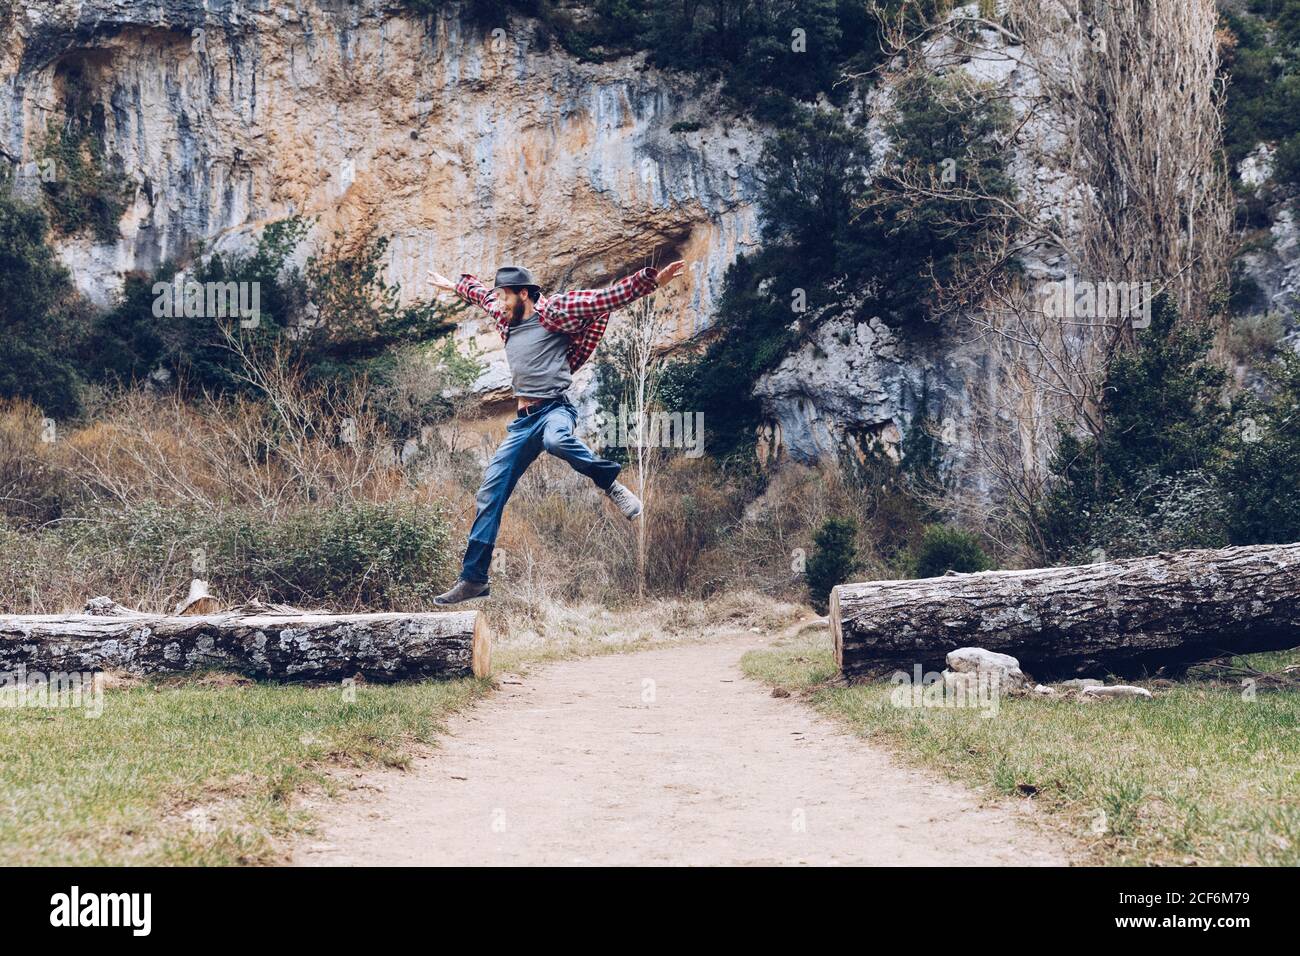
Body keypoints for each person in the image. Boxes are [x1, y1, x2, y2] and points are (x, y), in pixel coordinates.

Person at [426, 259, 686, 604]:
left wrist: (652, 280)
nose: (500, 302)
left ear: (524, 294)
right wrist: (452, 284)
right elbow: (479, 296)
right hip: (522, 423)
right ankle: (474, 579)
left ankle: (611, 484)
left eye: (506, 296)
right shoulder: (506, 316)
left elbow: (606, 299)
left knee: (556, 439)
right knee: (489, 495)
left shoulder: (556, 312)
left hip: (555, 410)